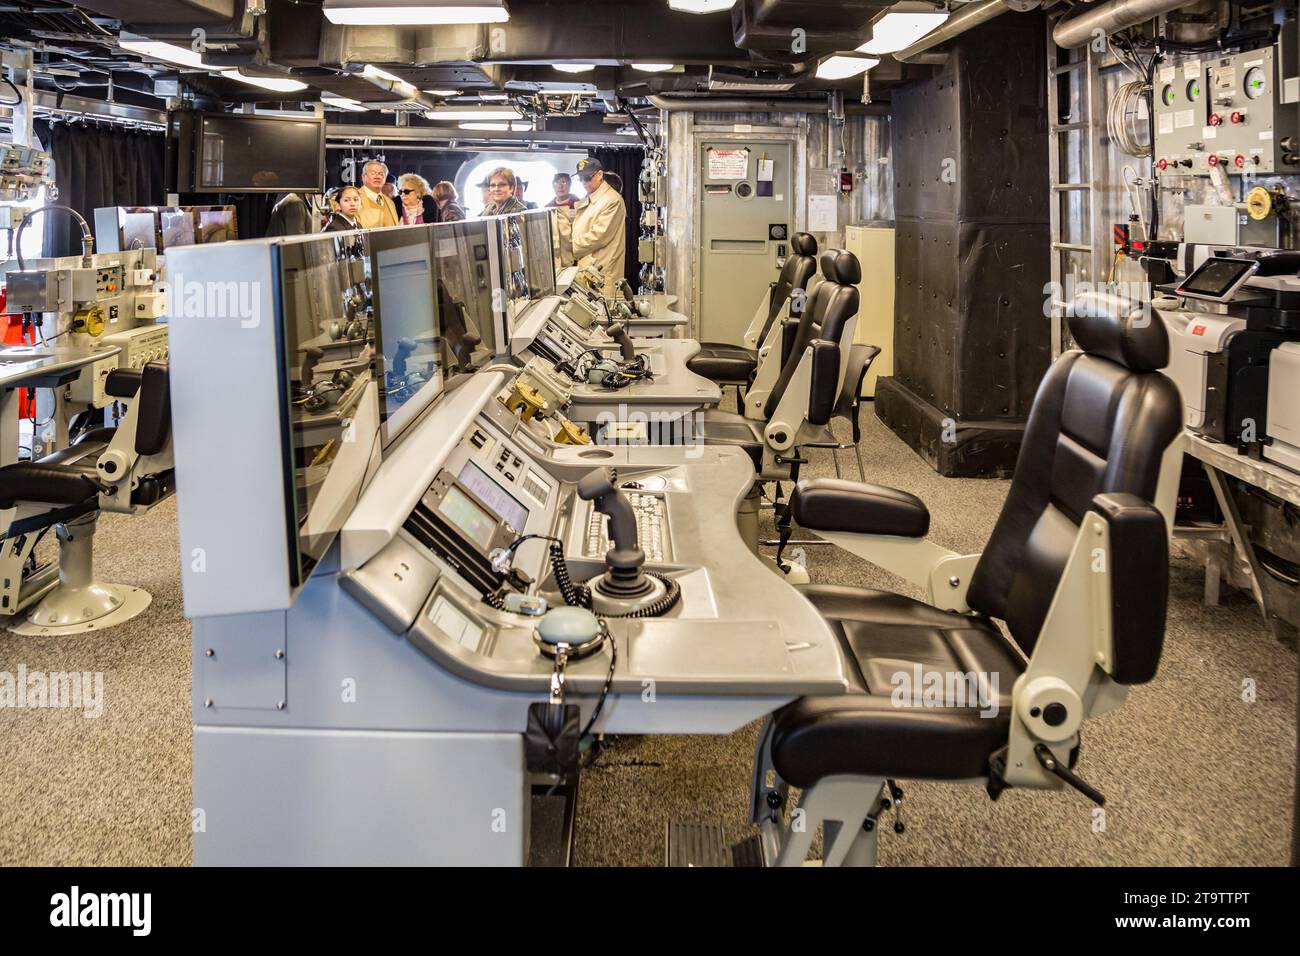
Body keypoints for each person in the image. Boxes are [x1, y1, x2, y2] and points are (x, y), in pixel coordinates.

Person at [567, 157, 626, 296]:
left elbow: (597, 237)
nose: (583, 182)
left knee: (602, 316)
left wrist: (567, 249)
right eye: (580, 178)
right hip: (588, 273)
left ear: (599, 174)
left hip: (601, 275)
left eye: (586, 178)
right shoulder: (591, 198)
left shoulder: (612, 200)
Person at [357, 160, 399, 229]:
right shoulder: (353, 199)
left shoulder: (390, 202)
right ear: (363, 177)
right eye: (373, 173)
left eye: (381, 174)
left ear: (385, 179)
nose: (377, 177)